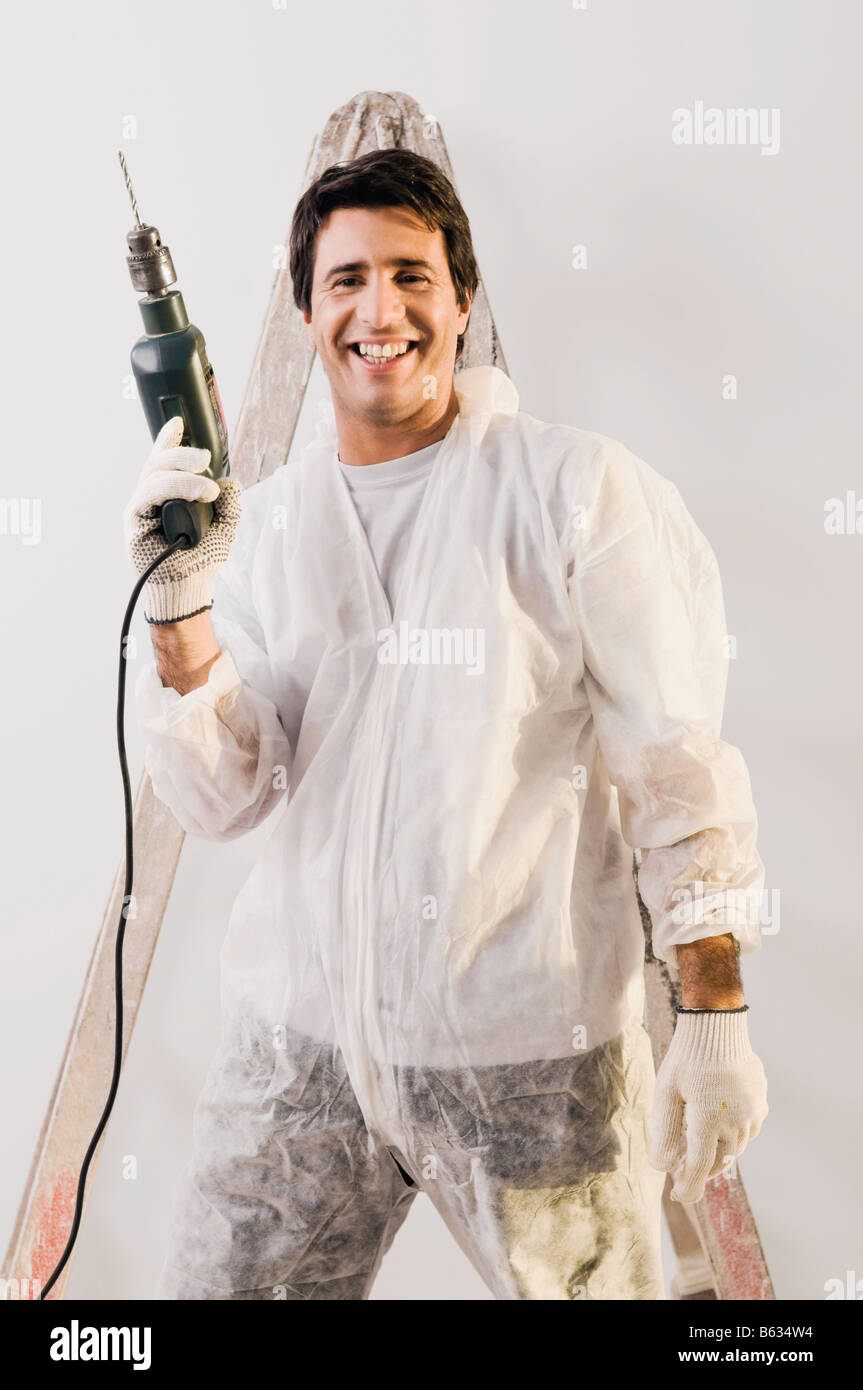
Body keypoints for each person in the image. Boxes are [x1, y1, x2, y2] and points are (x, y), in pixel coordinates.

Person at [125, 149, 768, 1301]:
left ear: (462, 301)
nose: (382, 310)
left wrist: (712, 1015)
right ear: (306, 312)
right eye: (348, 279)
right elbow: (227, 794)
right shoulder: (264, 529)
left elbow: (676, 771)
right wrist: (179, 606)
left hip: (532, 1060)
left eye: (413, 275)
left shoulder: (573, 495)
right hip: (298, 1059)